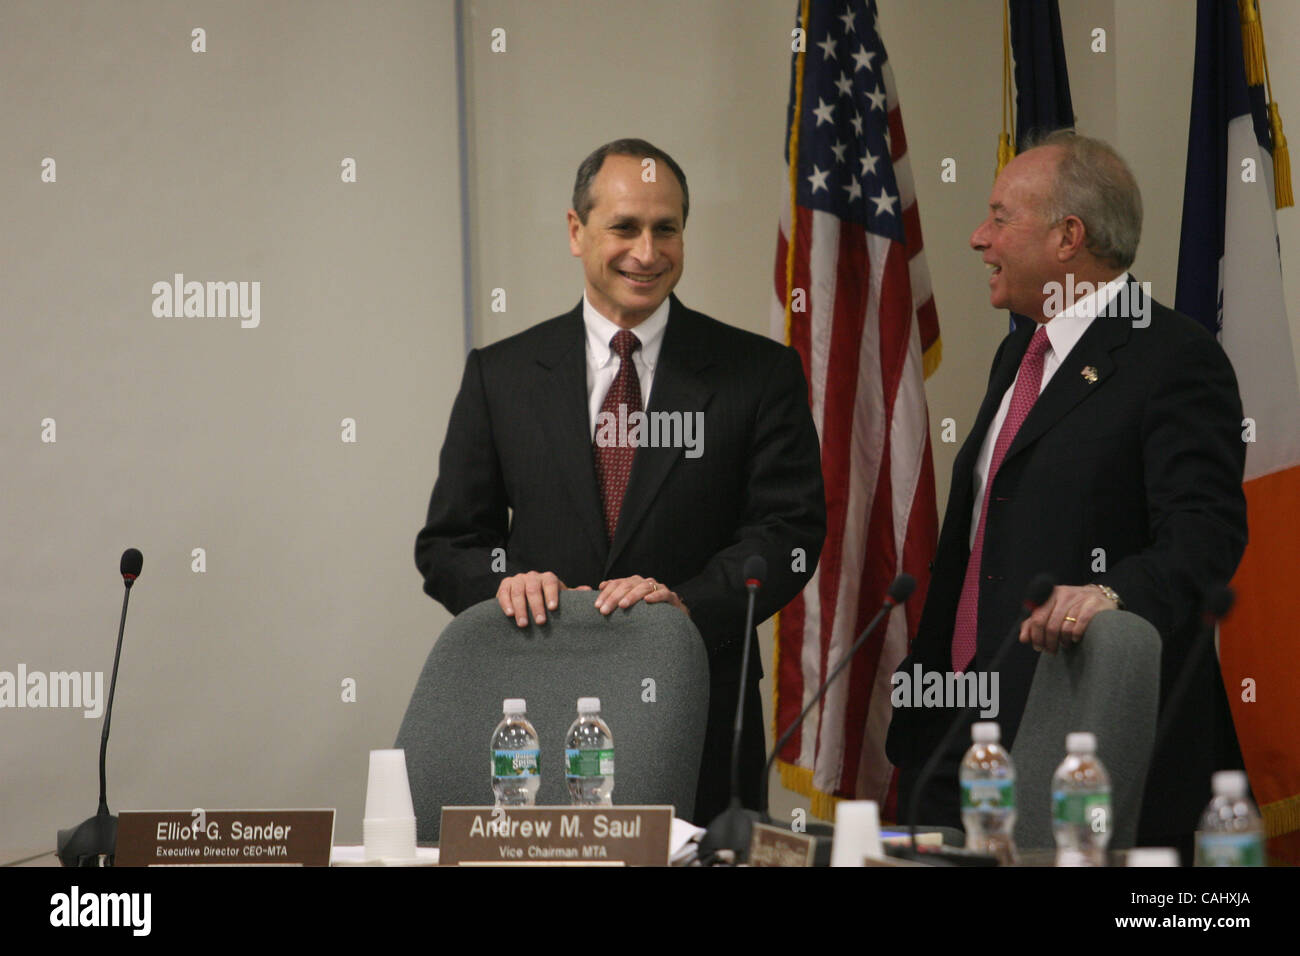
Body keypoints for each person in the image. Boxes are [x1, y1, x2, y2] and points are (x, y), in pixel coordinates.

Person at [415, 138, 826, 824]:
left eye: (666, 228)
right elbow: (451, 543)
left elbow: (788, 532)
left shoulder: (759, 373)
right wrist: (503, 584)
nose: (647, 250)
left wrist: (683, 605)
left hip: (699, 700)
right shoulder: (503, 375)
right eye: (624, 227)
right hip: (536, 704)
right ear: (576, 232)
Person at [886, 131, 1247, 854]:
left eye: (999, 217)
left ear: (1068, 237)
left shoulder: (1173, 356)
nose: (977, 238)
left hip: (1085, 736)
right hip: (966, 733)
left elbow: (1205, 534)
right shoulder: (1017, 353)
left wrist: (1110, 594)